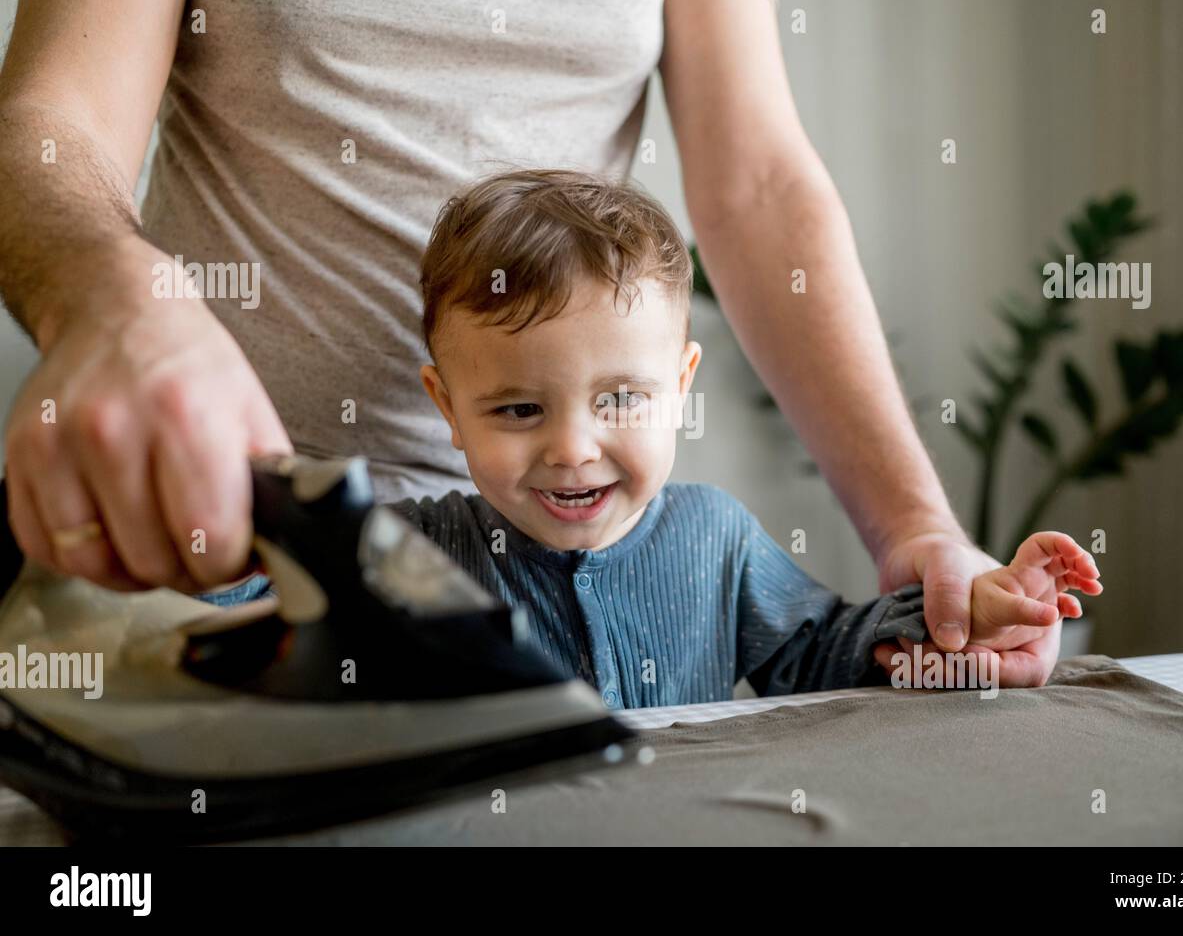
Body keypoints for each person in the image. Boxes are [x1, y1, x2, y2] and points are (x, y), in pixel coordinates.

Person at [0, 0, 1062, 686]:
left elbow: (758, 187)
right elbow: (50, 126)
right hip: (228, 549)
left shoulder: (698, 548)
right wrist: (119, 300)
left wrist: (915, 536)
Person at [381, 168, 1101, 705]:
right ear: (448, 406)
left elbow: (830, 651)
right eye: (517, 412)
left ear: (680, 386)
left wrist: (968, 619)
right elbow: (276, 612)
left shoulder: (715, 537)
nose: (572, 449)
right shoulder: (399, 550)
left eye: (623, 399)